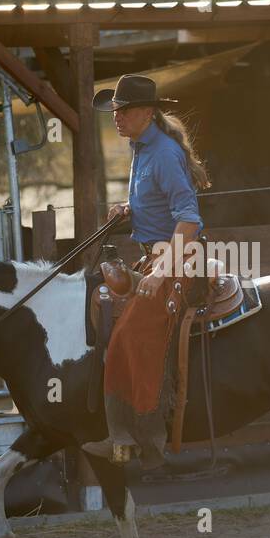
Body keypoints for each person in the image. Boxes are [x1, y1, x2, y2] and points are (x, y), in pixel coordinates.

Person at [82, 74, 211, 467]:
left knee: (131, 333)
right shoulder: (141, 147)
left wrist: (161, 271)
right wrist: (129, 208)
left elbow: (189, 221)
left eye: (123, 111)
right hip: (155, 255)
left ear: (147, 113)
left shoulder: (165, 154)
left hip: (179, 258)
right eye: (115, 111)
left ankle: (143, 437)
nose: (116, 118)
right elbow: (157, 202)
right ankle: (120, 430)